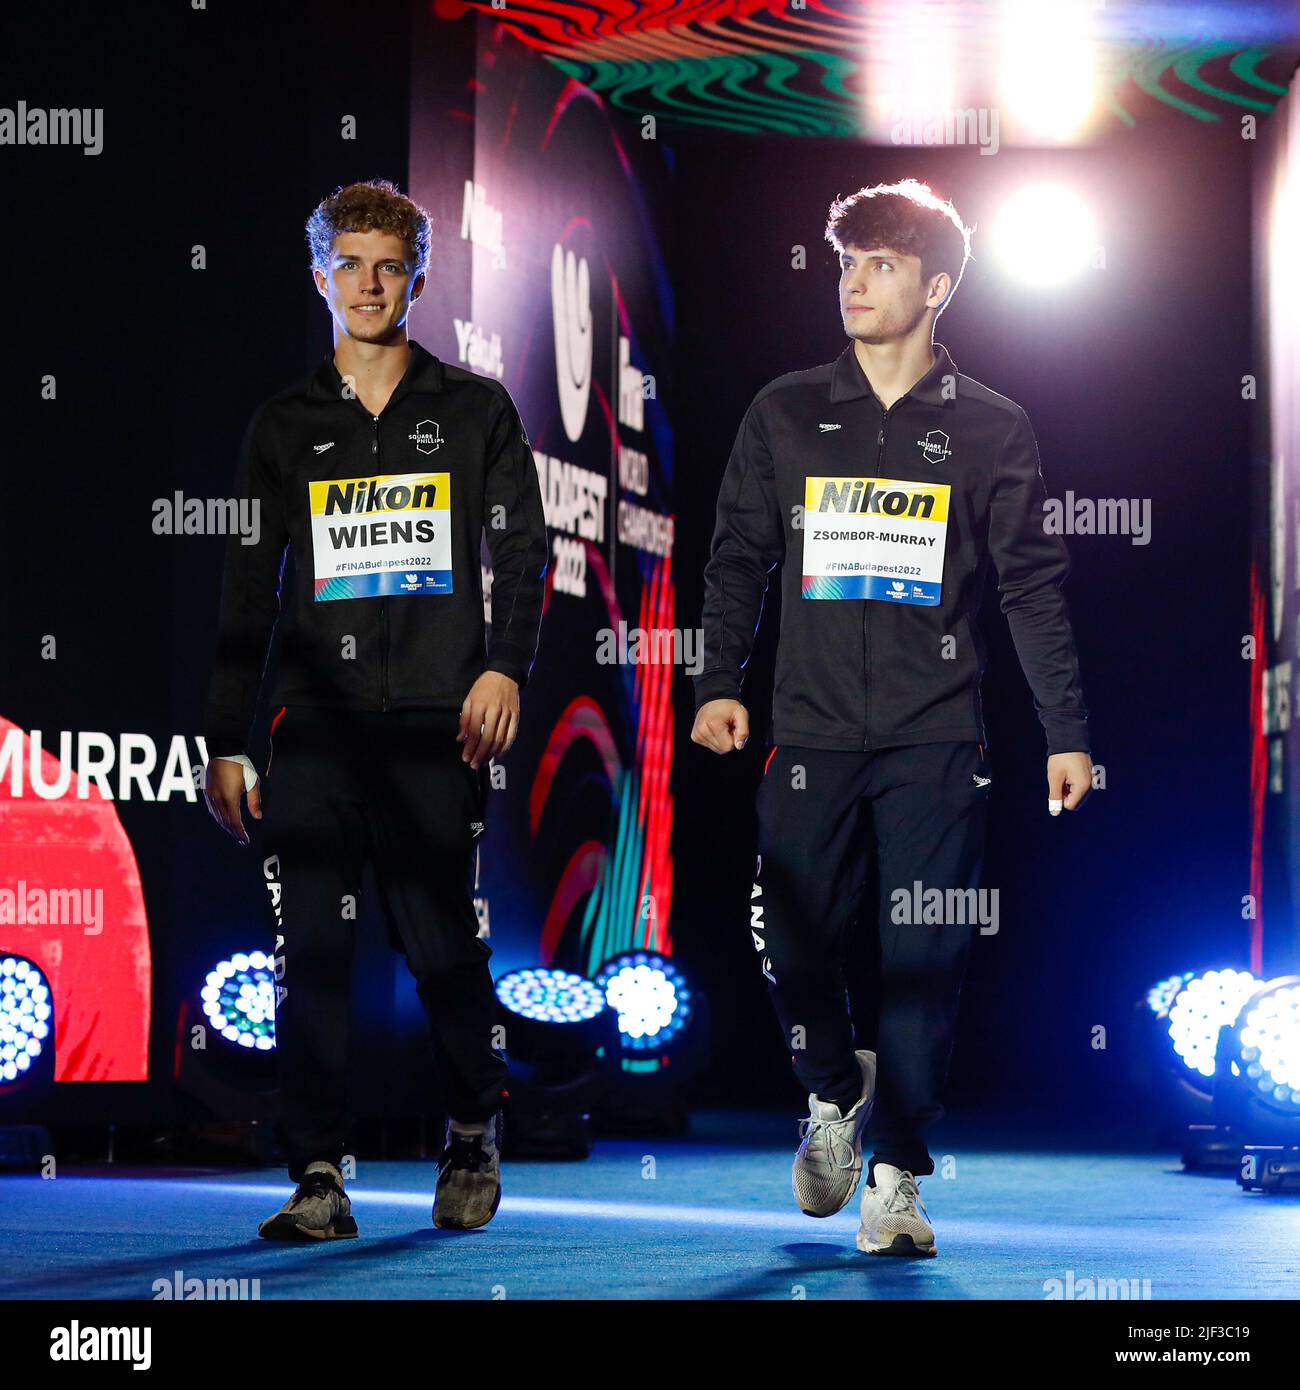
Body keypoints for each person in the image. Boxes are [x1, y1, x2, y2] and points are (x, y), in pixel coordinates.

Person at [691, 179, 1093, 1257]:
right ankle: (832, 1093)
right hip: (808, 732)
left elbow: (1029, 587)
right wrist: (715, 681)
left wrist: (1065, 728)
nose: (854, 282)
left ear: (937, 286)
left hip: (935, 738)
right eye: (845, 263)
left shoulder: (992, 426)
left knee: (925, 957)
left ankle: (898, 1178)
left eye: (878, 263)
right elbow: (738, 557)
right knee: (788, 939)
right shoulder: (782, 410)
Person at [201, 179, 547, 1239]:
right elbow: (247, 589)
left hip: (437, 725)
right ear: (319, 275)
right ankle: (316, 1174)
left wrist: (506, 669)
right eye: (347, 263)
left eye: (387, 264)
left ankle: (473, 1134)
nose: (367, 282)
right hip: (314, 729)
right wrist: (225, 738)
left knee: (442, 949)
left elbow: (524, 551)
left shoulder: (475, 407)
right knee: (312, 952)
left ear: (418, 277)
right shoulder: (283, 424)